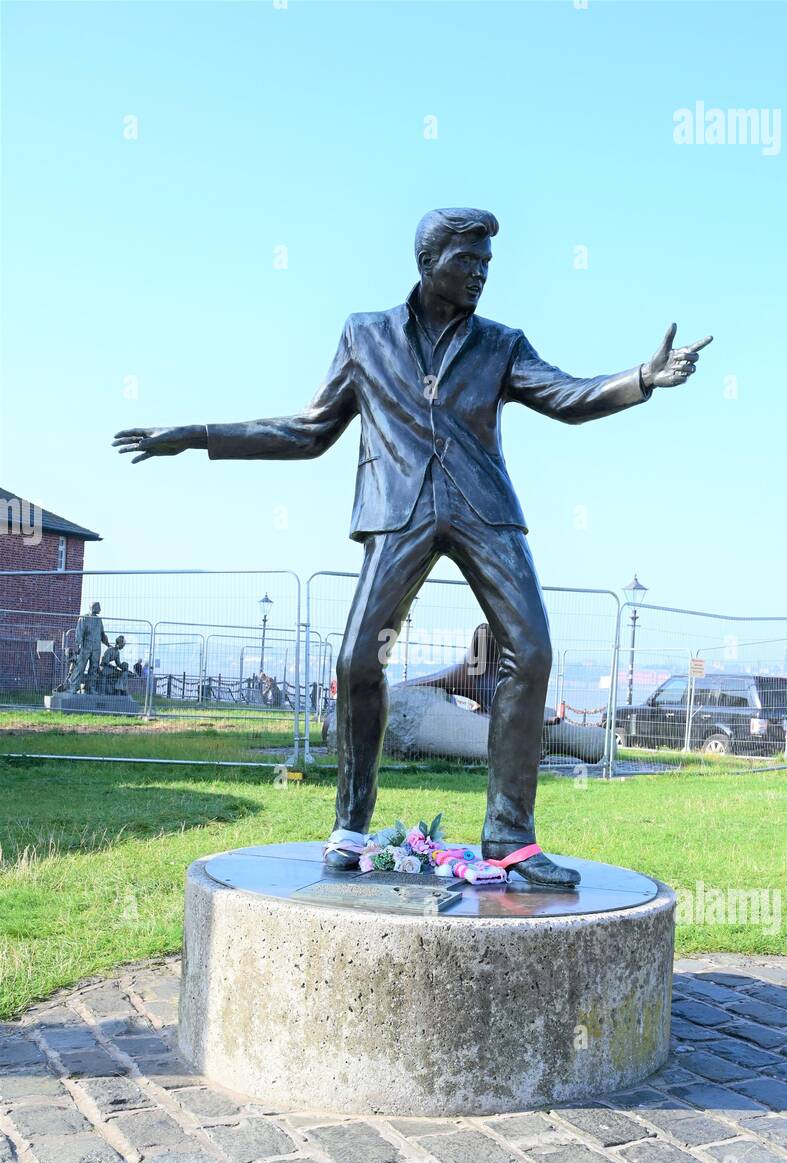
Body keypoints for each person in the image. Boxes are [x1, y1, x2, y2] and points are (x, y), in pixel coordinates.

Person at [113, 208, 711, 886]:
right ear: (429, 264)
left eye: (488, 263)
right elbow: (310, 432)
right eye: (469, 261)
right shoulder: (366, 336)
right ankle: (349, 823)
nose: (481, 273)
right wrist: (199, 434)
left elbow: (567, 397)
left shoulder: (501, 344)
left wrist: (640, 378)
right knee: (358, 658)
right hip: (398, 512)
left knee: (533, 651)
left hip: (484, 510)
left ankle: (510, 837)